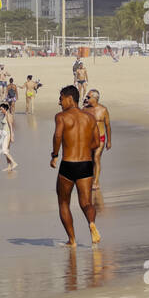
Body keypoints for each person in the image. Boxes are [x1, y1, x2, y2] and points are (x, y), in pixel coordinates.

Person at [50, 85, 100, 246]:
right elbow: (96, 143)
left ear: (69, 98)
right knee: (86, 203)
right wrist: (84, 147)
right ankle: (92, 224)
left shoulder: (61, 117)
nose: (59, 102)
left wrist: (55, 155)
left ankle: (72, 240)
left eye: (61, 98)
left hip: (68, 164)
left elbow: (58, 135)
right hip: (86, 164)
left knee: (63, 202)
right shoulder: (90, 118)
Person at [81, 88, 111, 191]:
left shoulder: (103, 110)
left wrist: (109, 141)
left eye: (88, 97)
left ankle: (96, 181)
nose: (87, 98)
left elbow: (107, 125)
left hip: (101, 138)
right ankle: (91, 178)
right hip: (89, 139)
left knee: (96, 158)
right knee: (89, 160)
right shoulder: (85, 109)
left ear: (95, 98)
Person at [0, 102, 17, 172]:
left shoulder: (8, 115)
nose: (0, 111)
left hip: (7, 134)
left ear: (5, 109)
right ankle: (9, 166)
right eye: (0, 109)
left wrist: (12, 135)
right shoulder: (5, 115)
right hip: (5, 134)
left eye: (1, 109)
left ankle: (14, 163)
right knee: (7, 151)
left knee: (4, 151)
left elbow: (11, 126)